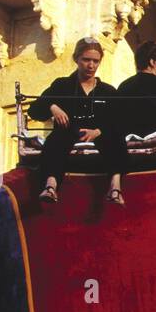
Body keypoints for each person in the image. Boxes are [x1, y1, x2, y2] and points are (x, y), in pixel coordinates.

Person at [29, 36, 128, 206]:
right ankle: (51, 186)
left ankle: (115, 188)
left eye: (95, 61)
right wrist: (52, 106)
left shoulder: (108, 91)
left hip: (100, 134)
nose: (91, 65)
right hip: (68, 132)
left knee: (116, 139)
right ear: (76, 59)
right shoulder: (62, 85)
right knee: (55, 139)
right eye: (86, 60)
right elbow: (34, 110)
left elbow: (120, 119)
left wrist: (98, 131)